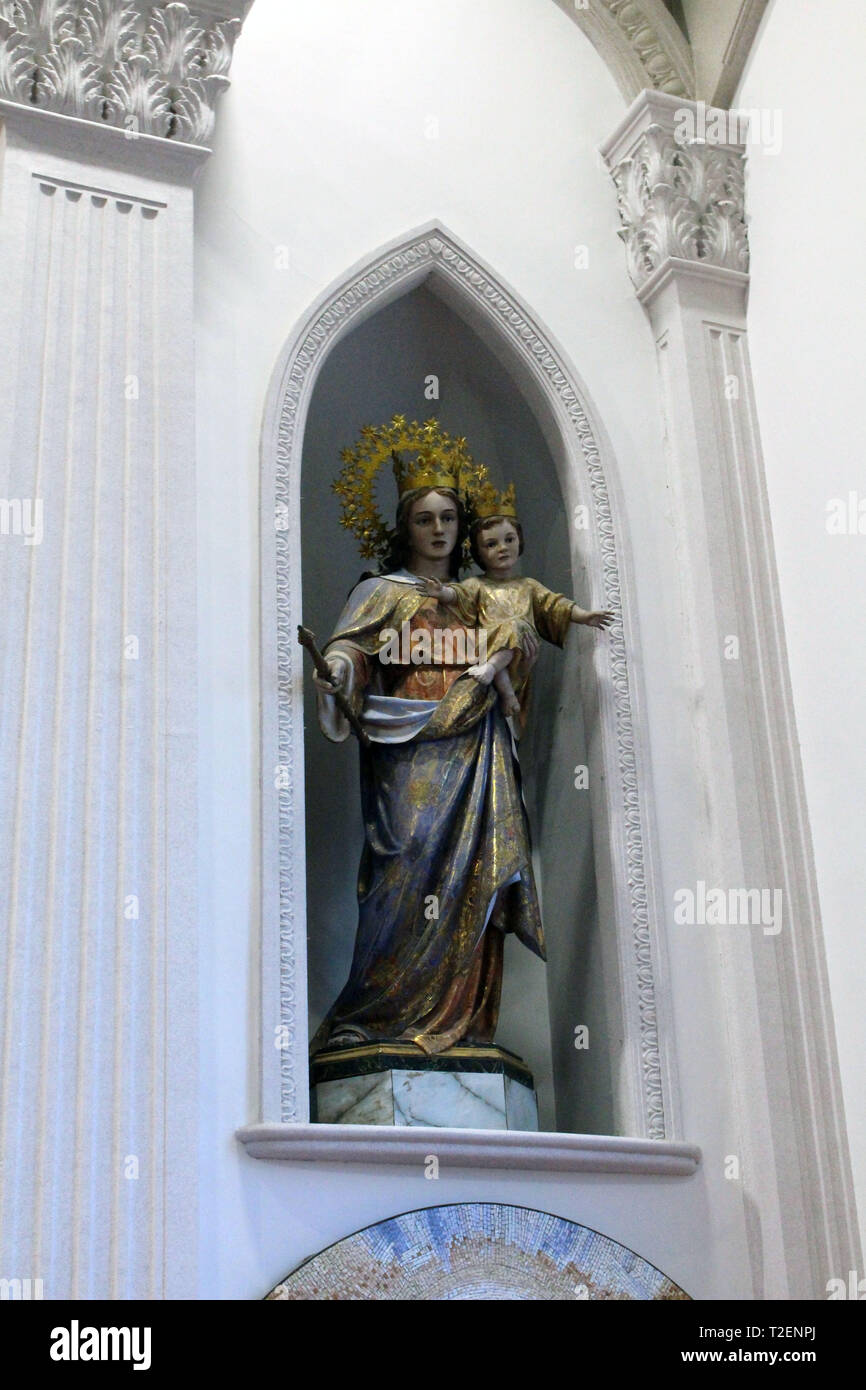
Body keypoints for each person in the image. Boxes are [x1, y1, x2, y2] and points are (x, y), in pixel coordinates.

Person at [311, 466, 545, 1058]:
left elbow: (519, 643)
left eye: (448, 518)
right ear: (404, 527)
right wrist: (339, 667)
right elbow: (352, 648)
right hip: (408, 746)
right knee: (407, 856)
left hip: (476, 745)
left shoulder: (476, 597)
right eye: (424, 519)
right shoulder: (381, 591)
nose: (438, 529)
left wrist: (515, 652)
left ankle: (461, 1023)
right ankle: (377, 1011)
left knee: (474, 873)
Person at [415, 483, 613, 725]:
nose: (502, 548)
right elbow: (458, 596)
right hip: (488, 645)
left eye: (509, 539)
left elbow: (556, 604)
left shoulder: (528, 585)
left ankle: (499, 680)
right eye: (491, 544)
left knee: (516, 627)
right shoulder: (477, 585)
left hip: (519, 651)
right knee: (508, 634)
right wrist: (441, 592)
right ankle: (504, 690)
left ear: (520, 542)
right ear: (478, 552)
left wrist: (584, 616)